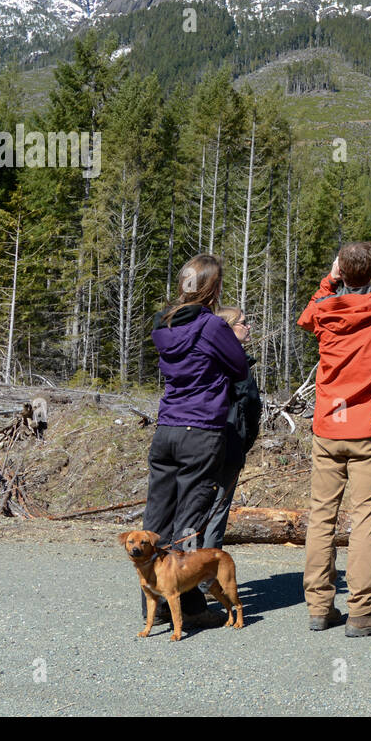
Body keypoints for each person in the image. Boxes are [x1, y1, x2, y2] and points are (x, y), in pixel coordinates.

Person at [296, 241, 371, 636]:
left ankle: (319, 607)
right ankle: (362, 610)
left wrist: (330, 281)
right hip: (368, 427)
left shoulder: (324, 309)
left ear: (340, 272)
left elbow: (306, 316)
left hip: (329, 425)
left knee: (321, 516)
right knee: (365, 520)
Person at [143, 254, 250, 629]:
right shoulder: (210, 326)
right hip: (201, 430)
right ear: (212, 289)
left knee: (156, 519)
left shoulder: (161, 323)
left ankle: (151, 607)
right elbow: (239, 365)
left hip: (166, 428)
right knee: (189, 523)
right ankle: (188, 608)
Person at [198, 307, 261, 595]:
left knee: (196, 509)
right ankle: (207, 580)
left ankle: (194, 578)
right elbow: (249, 403)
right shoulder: (236, 363)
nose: (249, 326)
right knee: (215, 513)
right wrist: (245, 442)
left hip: (200, 443)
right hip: (227, 444)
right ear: (227, 330)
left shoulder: (205, 357)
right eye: (243, 322)